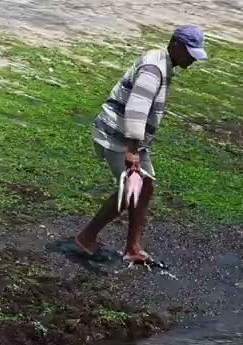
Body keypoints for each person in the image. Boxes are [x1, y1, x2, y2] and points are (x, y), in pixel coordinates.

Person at [75, 26, 207, 263]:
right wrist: (132, 152)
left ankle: (133, 248)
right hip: (117, 136)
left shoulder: (162, 62)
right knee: (131, 189)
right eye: (190, 53)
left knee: (144, 187)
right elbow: (136, 109)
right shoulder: (153, 69)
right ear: (175, 45)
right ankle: (87, 236)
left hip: (129, 138)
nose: (192, 60)